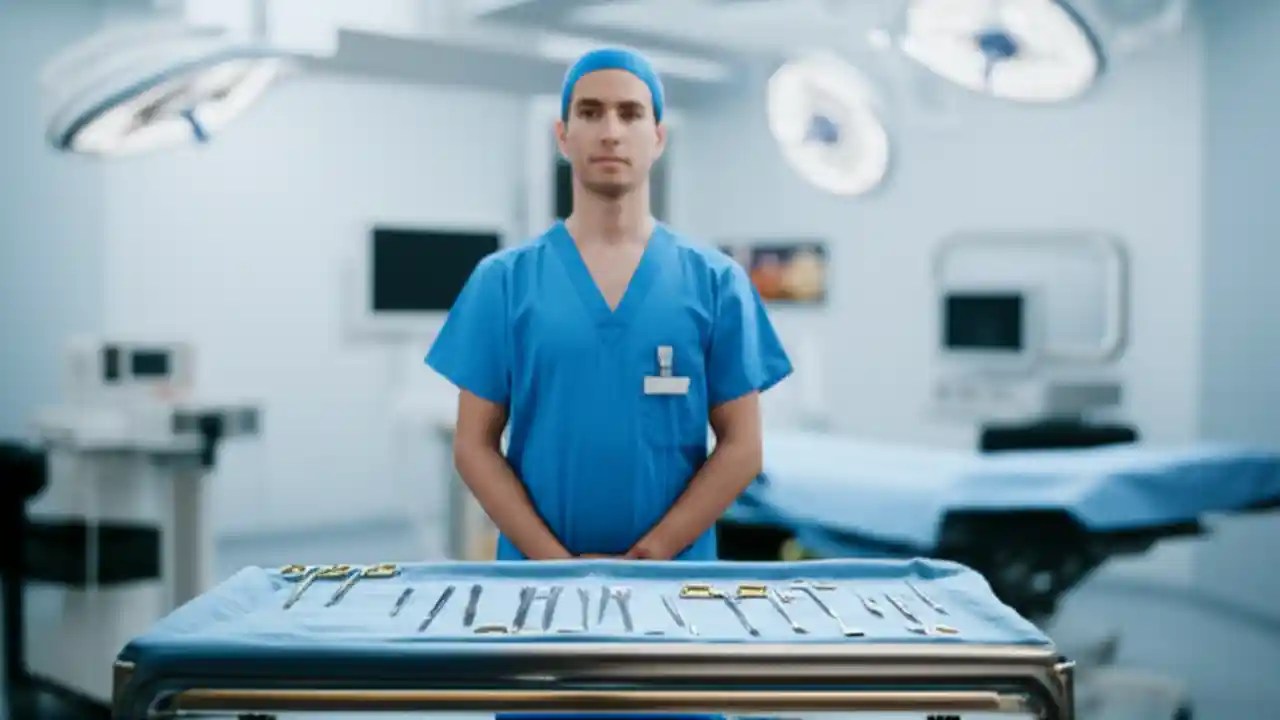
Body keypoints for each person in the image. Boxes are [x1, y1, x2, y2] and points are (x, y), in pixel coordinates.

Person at [426, 47, 792, 563]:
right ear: (563, 135)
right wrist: (553, 564)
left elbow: (743, 447)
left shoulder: (716, 283)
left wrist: (653, 554)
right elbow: (473, 446)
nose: (611, 131)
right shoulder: (503, 282)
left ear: (658, 137)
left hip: (676, 582)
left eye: (630, 113)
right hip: (536, 582)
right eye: (591, 112)